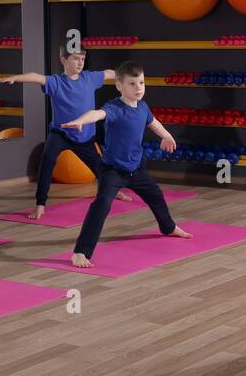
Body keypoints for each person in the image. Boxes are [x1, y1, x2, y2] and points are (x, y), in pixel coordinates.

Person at [60, 60, 191, 269]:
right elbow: (97, 114)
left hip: (136, 168)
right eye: (132, 84)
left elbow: (153, 122)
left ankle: (168, 227)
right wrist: (81, 121)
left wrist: (166, 136)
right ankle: (81, 252)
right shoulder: (114, 107)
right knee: (101, 205)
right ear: (119, 85)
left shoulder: (143, 106)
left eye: (141, 83)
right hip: (113, 170)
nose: (138, 88)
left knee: (156, 196)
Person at [0, 45, 131, 220]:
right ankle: (40, 204)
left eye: (83, 58)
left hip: (85, 136)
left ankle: (115, 191)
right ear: (63, 60)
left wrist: (126, 75)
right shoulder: (56, 82)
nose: (80, 62)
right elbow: (36, 77)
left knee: (100, 166)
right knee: (47, 160)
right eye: (76, 58)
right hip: (61, 133)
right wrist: (16, 78)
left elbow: (107, 73)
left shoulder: (89, 78)